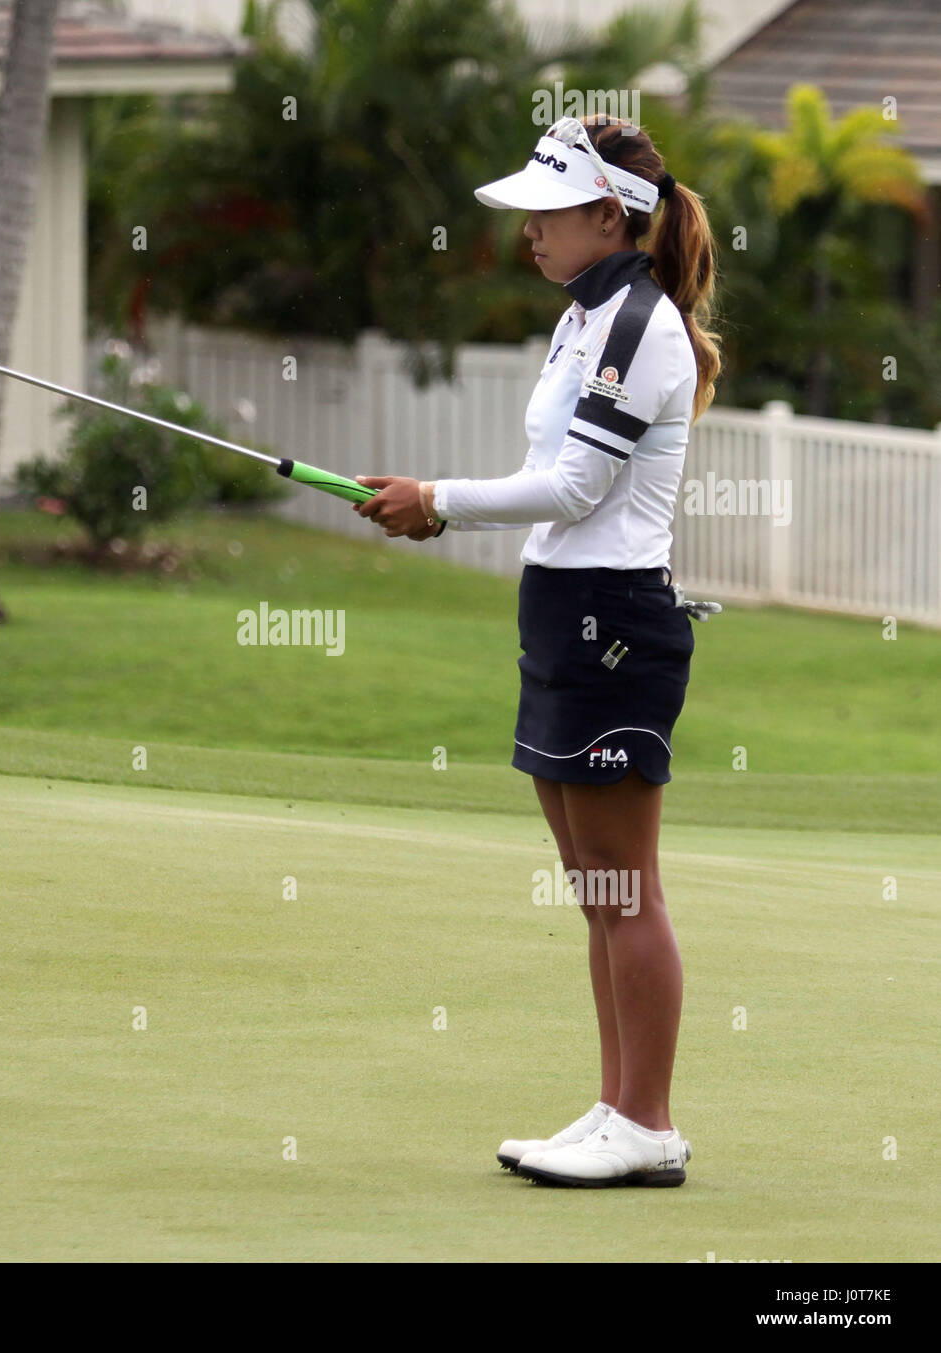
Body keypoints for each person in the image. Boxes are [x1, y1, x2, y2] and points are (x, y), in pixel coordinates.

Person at [354, 115, 722, 1187]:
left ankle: (646, 1123)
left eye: (546, 212)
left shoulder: (636, 327)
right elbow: (557, 482)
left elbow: (574, 489)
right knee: (592, 884)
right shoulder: (582, 318)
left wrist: (437, 501)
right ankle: (615, 1108)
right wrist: (437, 507)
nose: (528, 232)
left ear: (609, 216)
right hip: (564, 613)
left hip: (616, 624)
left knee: (623, 883)